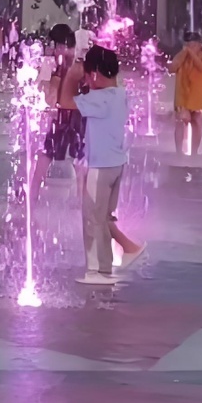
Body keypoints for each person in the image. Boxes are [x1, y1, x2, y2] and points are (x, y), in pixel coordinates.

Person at [72, 45, 143, 284]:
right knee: (102, 217)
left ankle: (97, 271)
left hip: (100, 168)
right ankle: (121, 254)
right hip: (116, 164)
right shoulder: (120, 94)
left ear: (94, 74)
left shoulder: (99, 99)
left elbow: (64, 102)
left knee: (92, 218)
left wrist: (71, 76)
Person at [42, 23, 86, 171]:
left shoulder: (65, 68)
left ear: (61, 46)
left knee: (48, 156)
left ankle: (35, 192)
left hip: (68, 118)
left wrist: (45, 79)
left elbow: (51, 100)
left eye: (54, 46)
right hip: (75, 117)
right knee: (80, 159)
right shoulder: (78, 64)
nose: (52, 51)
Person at [171, 31, 202, 155]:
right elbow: (172, 68)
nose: (191, 47)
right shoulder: (181, 55)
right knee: (180, 122)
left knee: (196, 122)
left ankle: (194, 152)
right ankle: (178, 152)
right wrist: (184, 54)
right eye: (188, 45)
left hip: (197, 95)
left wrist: (191, 54)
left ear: (199, 45)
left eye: (194, 45)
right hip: (182, 95)